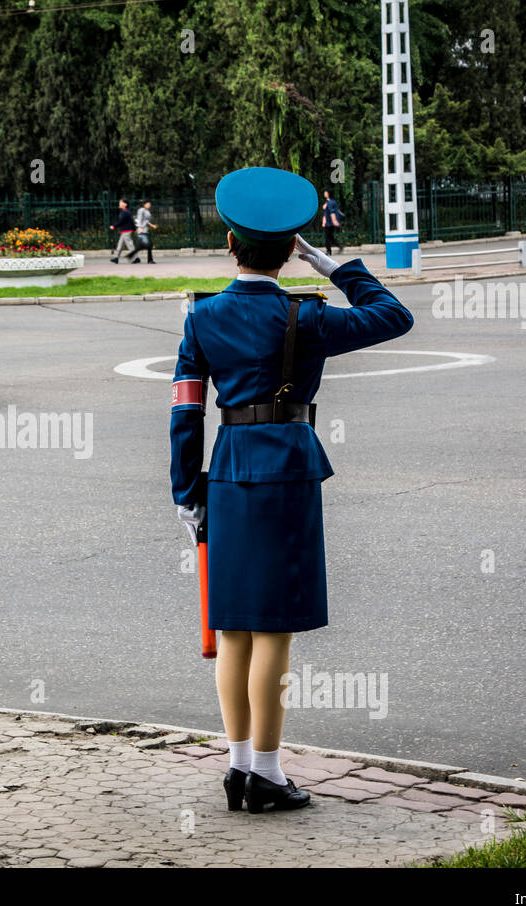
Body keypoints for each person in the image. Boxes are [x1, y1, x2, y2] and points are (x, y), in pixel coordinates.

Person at [170, 167, 413, 814]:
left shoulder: (201, 316)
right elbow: (395, 315)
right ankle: (269, 776)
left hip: (227, 470)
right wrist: (331, 265)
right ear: (287, 251)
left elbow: (186, 411)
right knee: (274, 628)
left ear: (229, 243)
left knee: (233, 627)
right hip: (290, 468)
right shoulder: (308, 317)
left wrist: (186, 491)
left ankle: (238, 766)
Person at [131, 199, 157, 264]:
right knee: (149, 244)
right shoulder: (141, 210)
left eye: (150, 204)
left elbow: (146, 220)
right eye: (148, 204)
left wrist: (152, 225)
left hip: (145, 230)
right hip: (141, 230)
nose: (149, 205)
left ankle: (134, 257)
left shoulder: (146, 211)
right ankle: (149, 260)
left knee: (142, 245)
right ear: (144, 204)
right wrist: (140, 228)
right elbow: (139, 219)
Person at [109, 198, 135, 263]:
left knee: (130, 245)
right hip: (124, 231)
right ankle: (116, 258)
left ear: (125, 204)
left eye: (121, 202)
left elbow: (121, 221)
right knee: (120, 246)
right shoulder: (125, 212)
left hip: (126, 231)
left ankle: (135, 258)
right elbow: (131, 221)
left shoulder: (125, 212)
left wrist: (114, 226)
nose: (119, 204)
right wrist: (134, 229)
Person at [321, 188, 342, 255]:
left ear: (328, 194)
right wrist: (324, 222)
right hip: (328, 222)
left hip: (330, 223)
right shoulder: (329, 201)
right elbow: (326, 212)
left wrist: (334, 221)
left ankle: (328, 251)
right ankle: (339, 246)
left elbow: (332, 212)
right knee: (330, 236)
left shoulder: (331, 202)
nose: (324, 193)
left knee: (327, 237)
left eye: (325, 192)